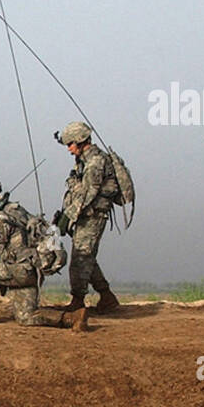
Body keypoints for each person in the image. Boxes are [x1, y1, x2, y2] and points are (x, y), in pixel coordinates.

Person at [0, 175, 88, 330]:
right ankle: (72, 318)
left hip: (19, 271)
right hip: (29, 271)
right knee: (26, 316)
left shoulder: (1, 217)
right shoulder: (15, 209)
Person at [55, 122, 121, 314]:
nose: (68, 149)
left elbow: (88, 194)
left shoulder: (95, 163)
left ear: (80, 141)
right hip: (85, 215)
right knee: (86, 256)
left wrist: (69, 217)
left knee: (81, 258)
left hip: (93, 216)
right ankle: (107, 296)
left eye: (70, 144)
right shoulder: (84, 161)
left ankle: (78, 301)